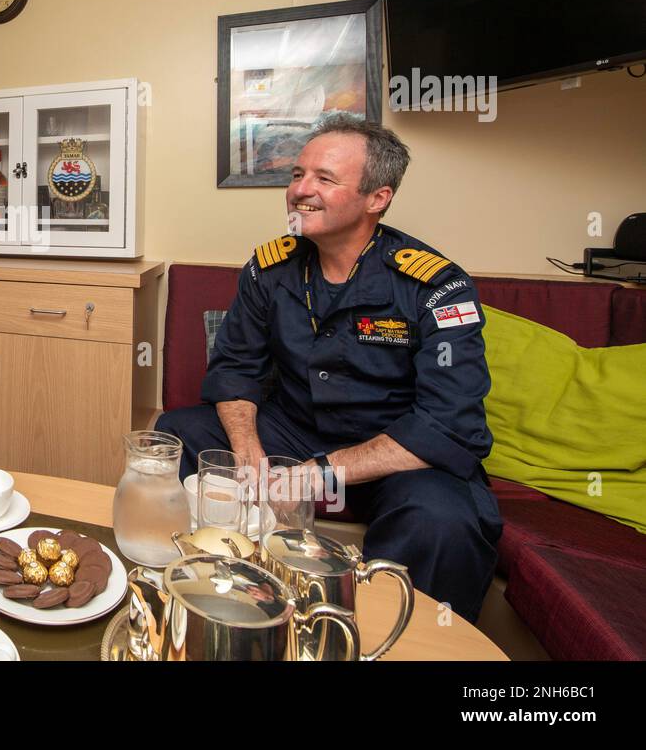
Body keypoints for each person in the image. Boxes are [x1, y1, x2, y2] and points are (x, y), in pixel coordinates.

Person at [156, 116, 503, 624]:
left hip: (395, 452)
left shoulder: (436, 285)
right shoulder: (268, 269)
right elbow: (235, 368)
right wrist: (247, 447)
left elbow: (447, 421)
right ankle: (212, 595)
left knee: (442, 520)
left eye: (324, 178)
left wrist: (319, 475)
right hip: (295, 431)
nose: (300, 190)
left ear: (376, 198)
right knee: (179, 434)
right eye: (297, 175)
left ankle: (404, 641)